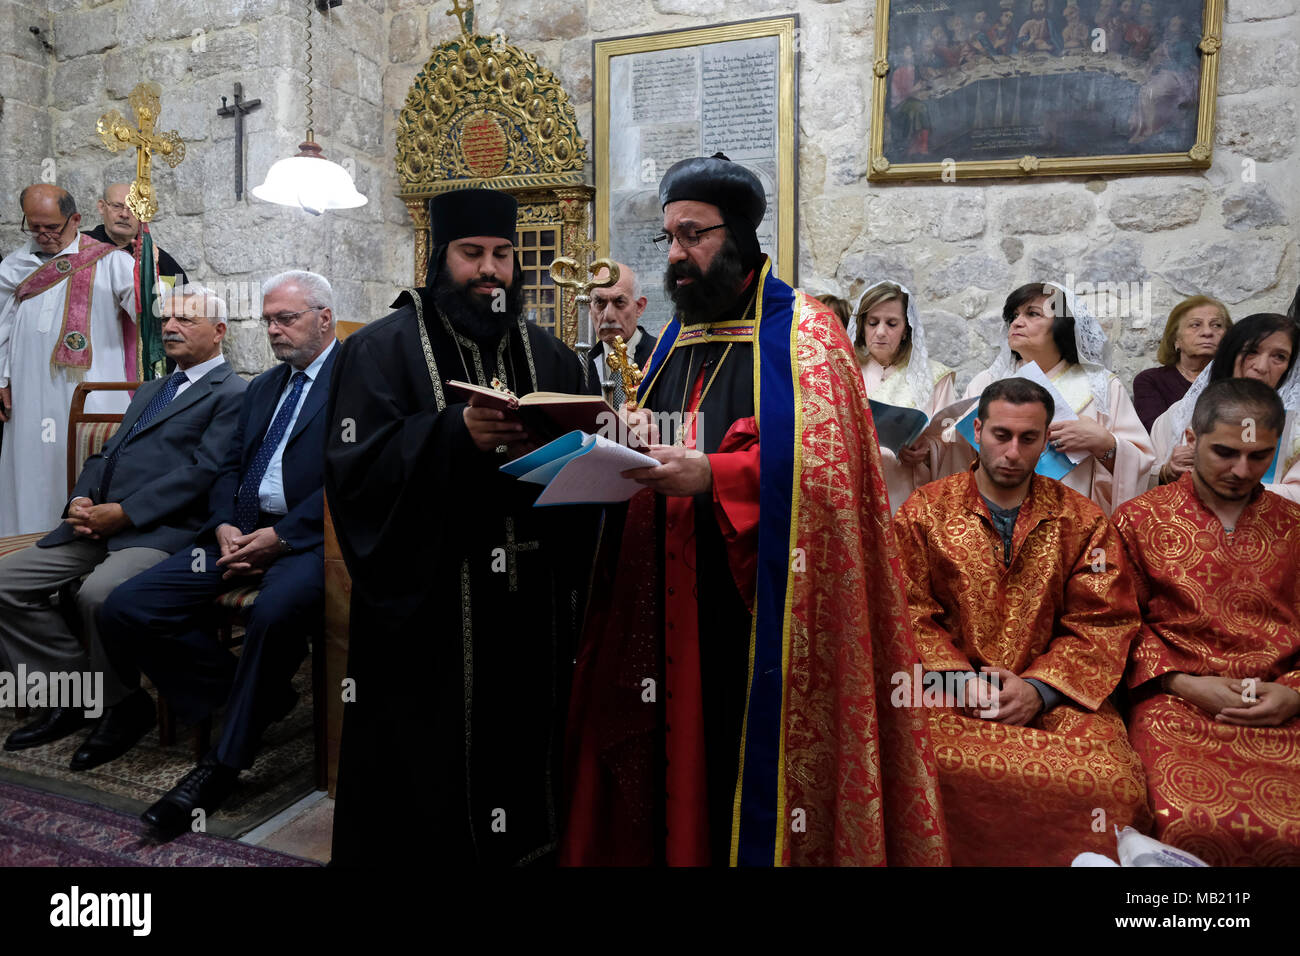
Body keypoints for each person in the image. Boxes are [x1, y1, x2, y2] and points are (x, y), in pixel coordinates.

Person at [561, 154, 948, 867]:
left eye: (692, 235)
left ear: (736, 231)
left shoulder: (805, 333)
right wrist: (630, 434)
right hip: (674, 594)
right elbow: (664, 425)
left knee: (743, 764)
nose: (677, 254)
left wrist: (718, 474)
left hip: (762, 606)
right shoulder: (681, 333)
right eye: (669, 238)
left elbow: (831, 479)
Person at [324, 189, 599, 867]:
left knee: (523, 741)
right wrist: (451, 434)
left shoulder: (550, 354)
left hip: (529, 600)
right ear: (438, 257)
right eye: (472, 253)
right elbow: (353, 470)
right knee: (432, 765)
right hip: (432, 606)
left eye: (502, 255)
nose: (491, 270)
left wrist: (609, 448)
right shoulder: (382, 350)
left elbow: (580, 470)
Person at [96, 270, 336, 837]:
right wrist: (226, 523)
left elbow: (355, 477)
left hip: (308, 540)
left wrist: (281, 538)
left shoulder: (357, 382)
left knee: (273, 616)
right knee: (126, 606)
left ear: (324, 318)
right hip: (236, 533)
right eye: (268, 319)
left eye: (287, 318)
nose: (274, 330)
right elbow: (229, 466)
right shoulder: (264, 387)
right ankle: (255, 695)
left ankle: (222, 766)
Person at [894, 377, 1150, 866]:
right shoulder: (923, 512)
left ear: (1045, 439)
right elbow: (905, 608)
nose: (1012, 451)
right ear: (977, 431)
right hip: (944, 691)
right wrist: (956, 680)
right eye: (1001, 435)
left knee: (1112, 784)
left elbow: (1104, 621)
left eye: (1028, 438)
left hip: (1058, 697)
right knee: (920, 769)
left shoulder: (1083, 519)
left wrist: (1038, 690)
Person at [0, 286, 244, 761]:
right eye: (167, 319)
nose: (170, 328)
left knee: (99, 594)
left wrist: (126, 513)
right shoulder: (153, 388)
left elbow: (204, 472)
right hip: (96, 523)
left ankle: (121, 707)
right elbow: (105, 454)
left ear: (218, 332)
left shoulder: (234, 393)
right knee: (4, 582)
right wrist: (80, 498)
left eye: (186, 320)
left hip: (161, 531)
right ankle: (70, 691)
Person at [1115, 378, 1300, 865]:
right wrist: (1180, 682)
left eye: (1259, 456)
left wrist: (1295, 691)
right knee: (1184, 818)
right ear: (1191, 440)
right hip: (1176, 703)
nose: (1242, 470)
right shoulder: (1138, 519)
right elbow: (1114, 623)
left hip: (1284, 704)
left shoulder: (1294, 526)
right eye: (1225, 452)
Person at [0, 185, 138, 536]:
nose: (44, 236)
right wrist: (1, 380)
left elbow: (147, 316)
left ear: (75, 220)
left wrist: (146, 279)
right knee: (30, 467)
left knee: (81, 465)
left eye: (52, 228)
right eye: (35, 228)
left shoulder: (111, 261)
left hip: (91, 391)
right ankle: (23, 548)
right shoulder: (14, 265)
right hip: (29, 391)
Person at [961, 281, 1154, 515]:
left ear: (1062, 326)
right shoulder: (986, 382)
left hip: (1072, 521)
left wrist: (1103, 442)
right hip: (994, 515)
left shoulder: (1101, 386)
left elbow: (1141, 464)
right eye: (1014, 315)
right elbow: (957, 460)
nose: (1017, 322)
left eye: (1032, 314)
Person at [1149, 313, 1300, 500]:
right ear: (1230, 353)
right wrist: (1167, 472)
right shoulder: (1177, 416)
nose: (1261, 367)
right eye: (1252, 351)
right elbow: (1145, 484)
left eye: (1279, 356)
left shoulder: (1296, 429)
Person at [853, 280, 957, 513]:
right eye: (872, 322)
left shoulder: (935, 378)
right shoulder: (845, 373)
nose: (880, 332)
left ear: (906, 330)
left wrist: (928, 450)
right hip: (855, 494)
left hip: (908, 499)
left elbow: (952, 441)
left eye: (891, 324)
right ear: (862, 327)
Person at [1132, 295, 1230, 432]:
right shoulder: (1152, 381)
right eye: (1195, 325)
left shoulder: (1235, 380)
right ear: (1176, 339)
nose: (1208, 332)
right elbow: (1156, 433)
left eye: (1217, 325)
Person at [84, 183, 189, 284]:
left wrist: (152, 266)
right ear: (102, 207)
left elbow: (183, 296)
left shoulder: (159, 261)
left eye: (134, 209)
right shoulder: (80, 246)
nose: (124, 214)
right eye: (117, 206)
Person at [586, 260, 657, 407]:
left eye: (619, 302)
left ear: (639, 307)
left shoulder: (661, 358)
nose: (609, 316)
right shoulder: (582, 367)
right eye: (600, 302)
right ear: (590, 308)